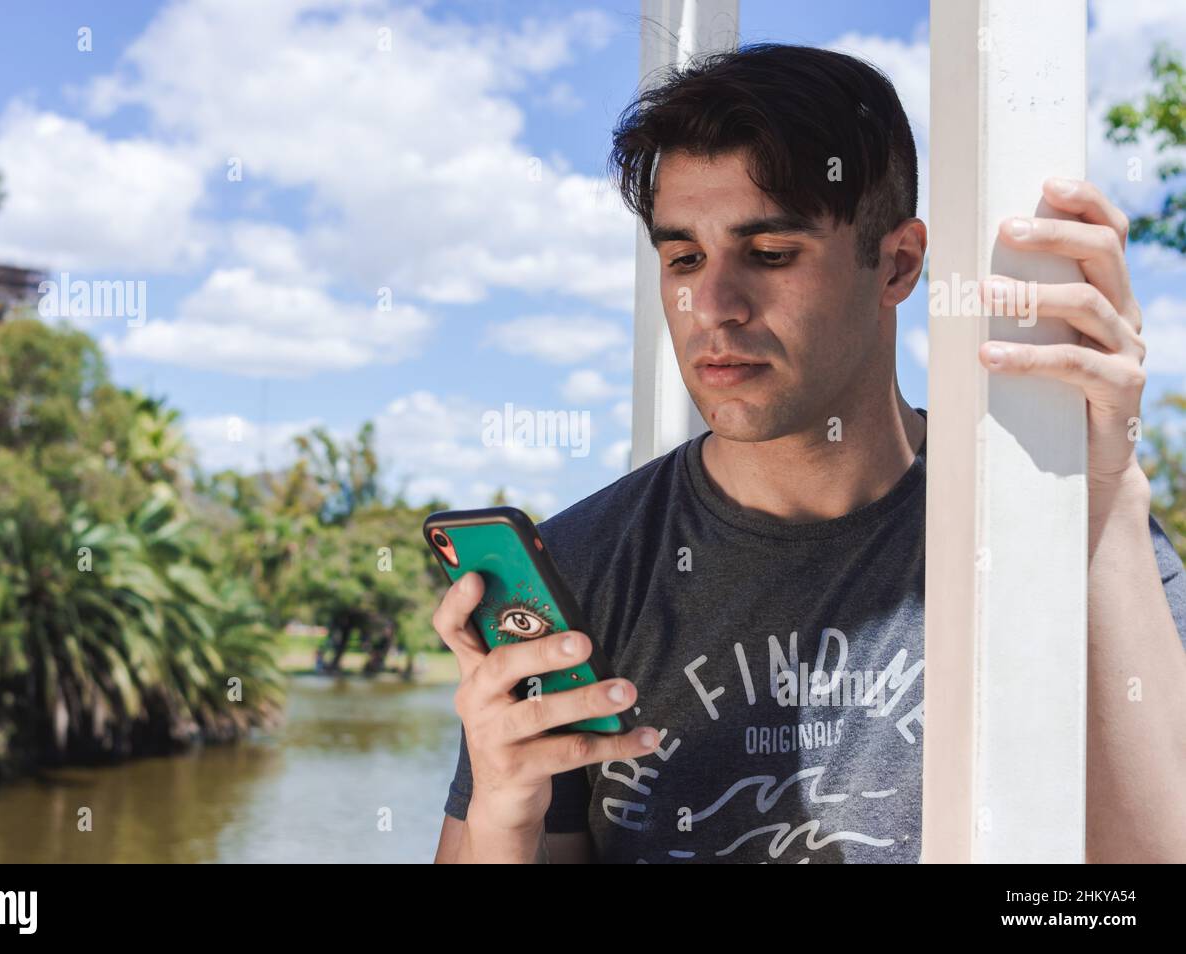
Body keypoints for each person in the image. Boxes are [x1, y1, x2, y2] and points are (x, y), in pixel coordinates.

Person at [432, 42, 1186, 864]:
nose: (712, 306)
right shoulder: (581, 567)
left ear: (896, 264)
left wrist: (1106, 497)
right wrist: (503, 819)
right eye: (684, 257)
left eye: (770, 254)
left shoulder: (1075, 534)